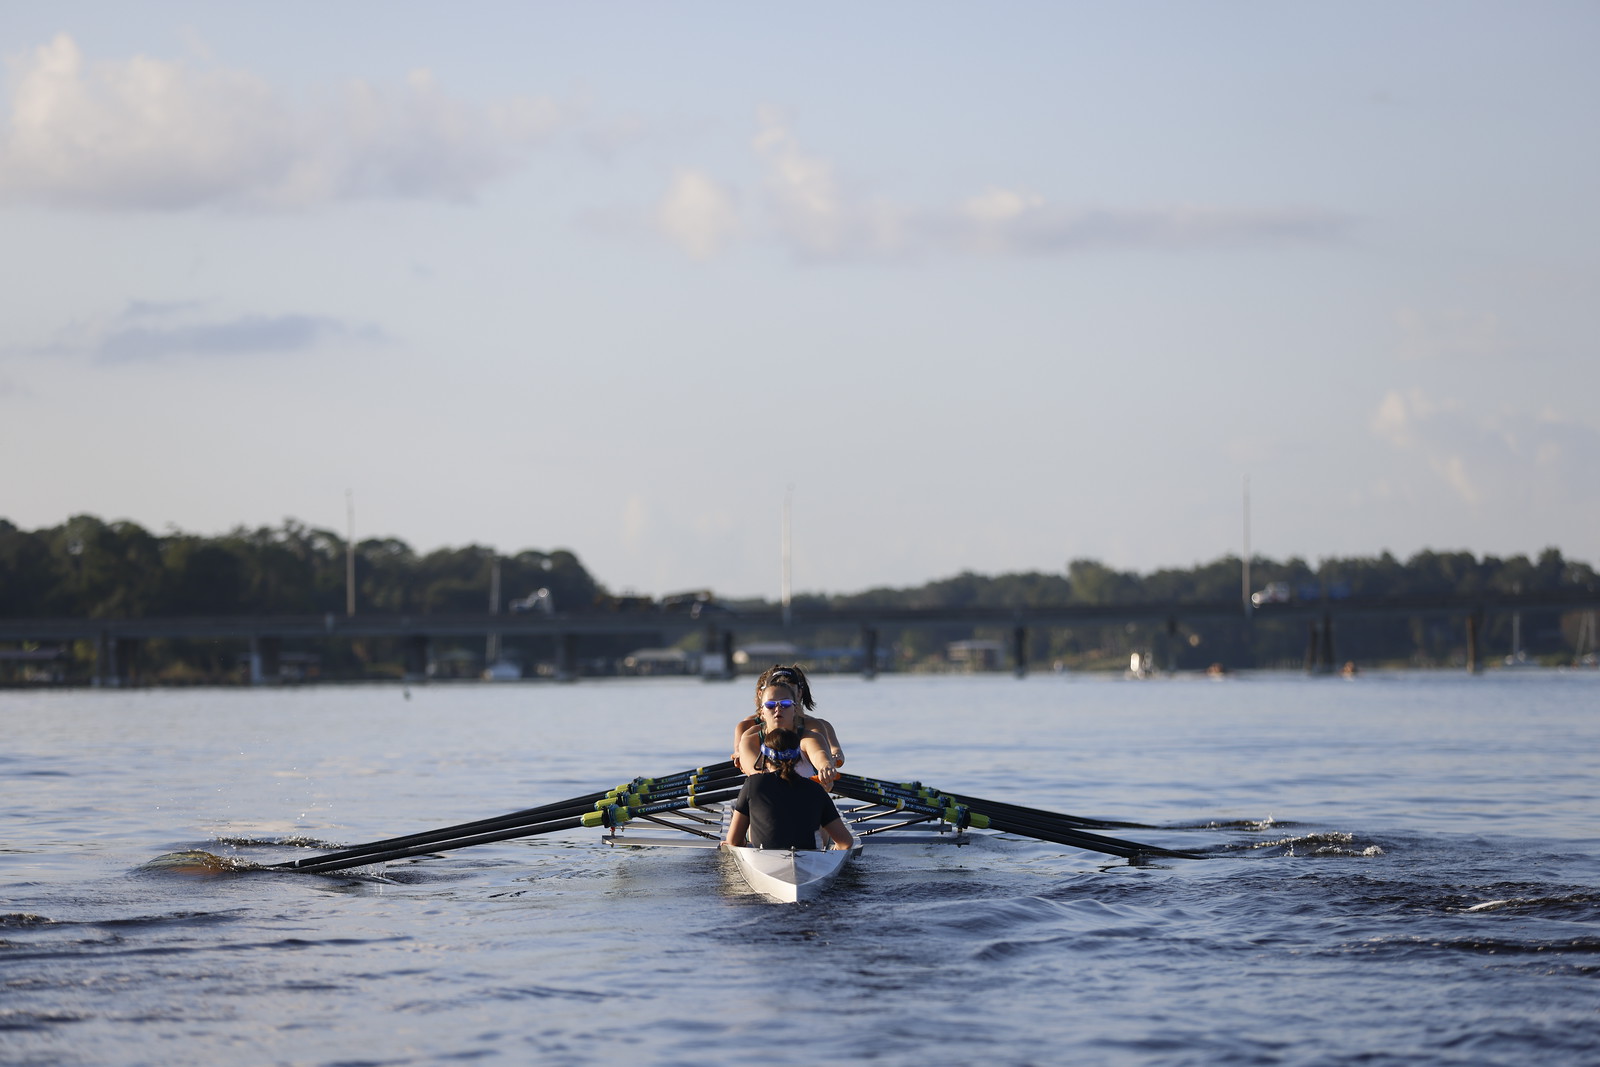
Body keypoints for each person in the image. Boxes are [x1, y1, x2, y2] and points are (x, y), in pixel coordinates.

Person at [724, 729, 853, 850]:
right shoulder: (815, 789)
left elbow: (733, 841)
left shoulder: (753, 783)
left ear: (764, 757)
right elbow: (846, 842)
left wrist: (744, 845)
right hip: (809, 859)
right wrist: (834, 852)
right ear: (798, 758)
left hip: (764, 858)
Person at [732, 663, 843, 787]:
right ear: (762, 709)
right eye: (770, 705)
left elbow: (819, 753)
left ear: (795, 707)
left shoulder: (810, 737)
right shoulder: (750, 738)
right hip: (766, 799)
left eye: (785, 704)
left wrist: (826, 766)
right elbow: (756, 776)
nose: (778, 709)